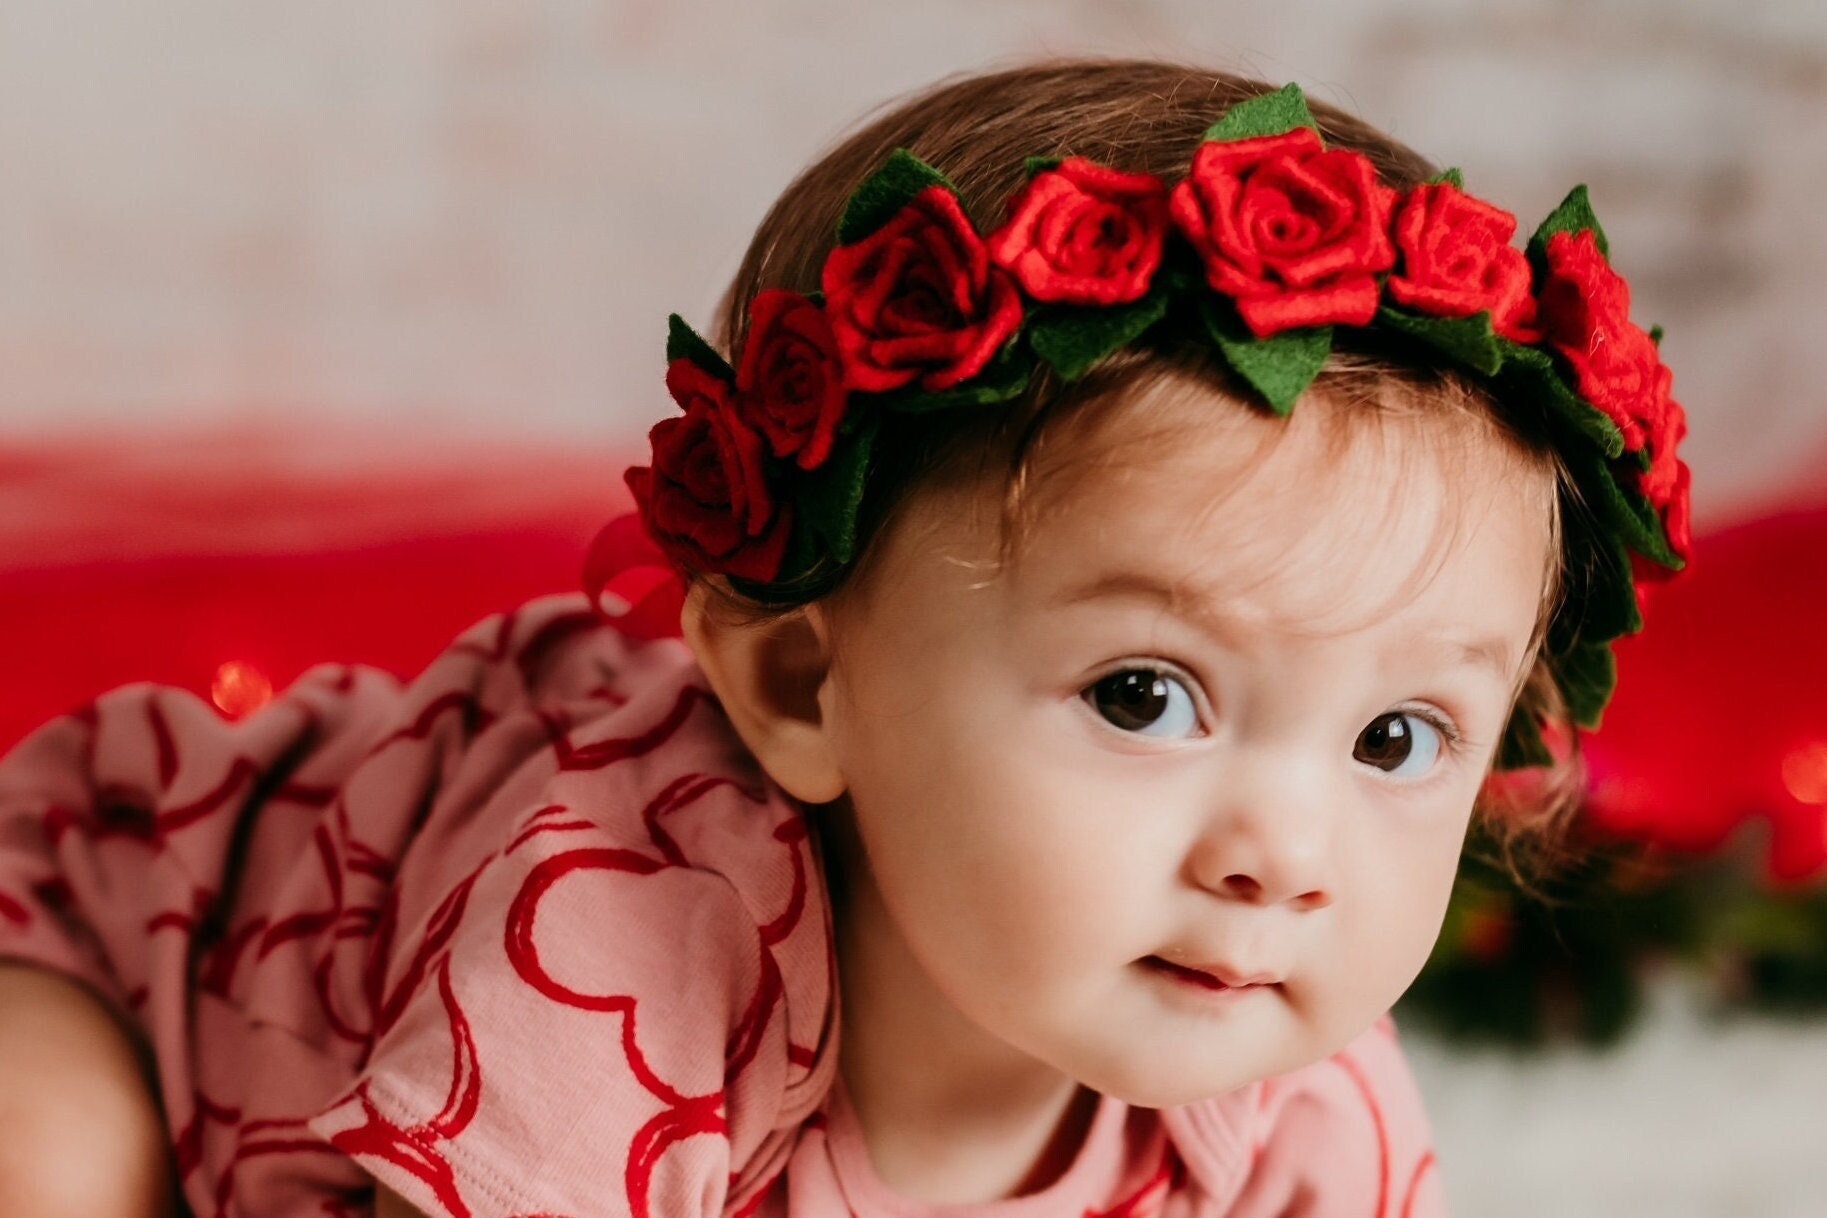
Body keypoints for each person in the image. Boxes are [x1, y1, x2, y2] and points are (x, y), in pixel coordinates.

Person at [0, 57, 1691, 1218]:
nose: (1286, 852)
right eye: (1144, 693)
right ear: (808, 683)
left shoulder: (1292, 1076)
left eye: (1398, 737)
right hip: (122, 971)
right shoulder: (628, 937)